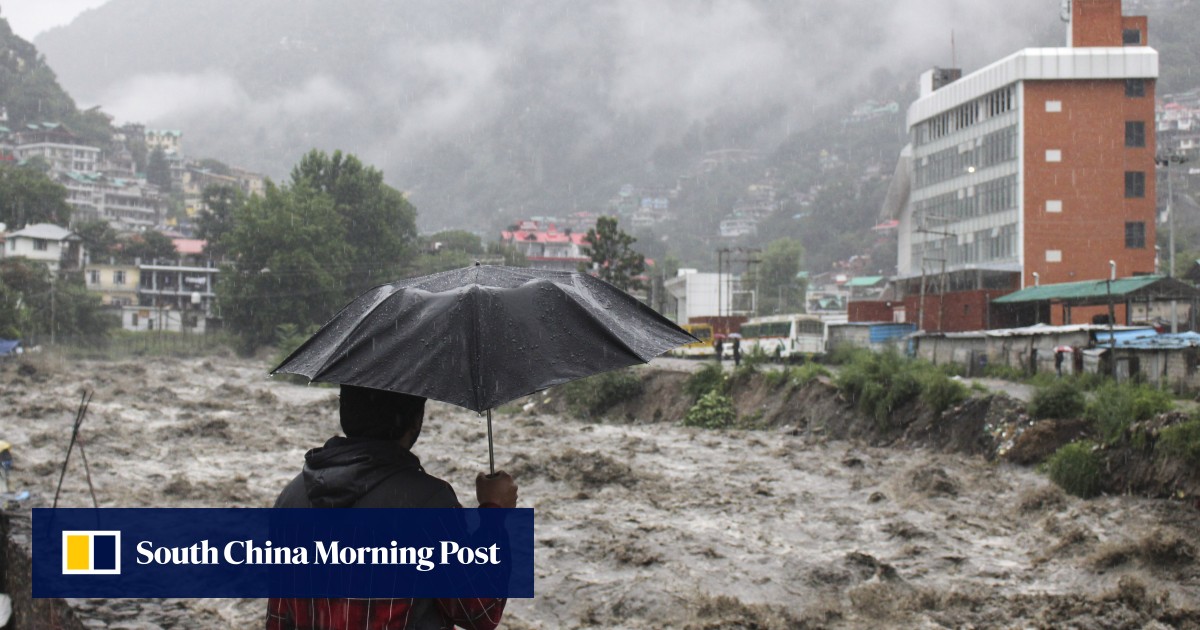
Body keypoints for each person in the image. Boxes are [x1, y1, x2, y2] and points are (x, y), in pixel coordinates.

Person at [266, 385, 518, 630]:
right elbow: (479, 612)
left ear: (345, 412)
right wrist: (493, 513)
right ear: (416, 421)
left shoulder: (291, 497)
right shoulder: (428, 503)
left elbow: (277, 619)